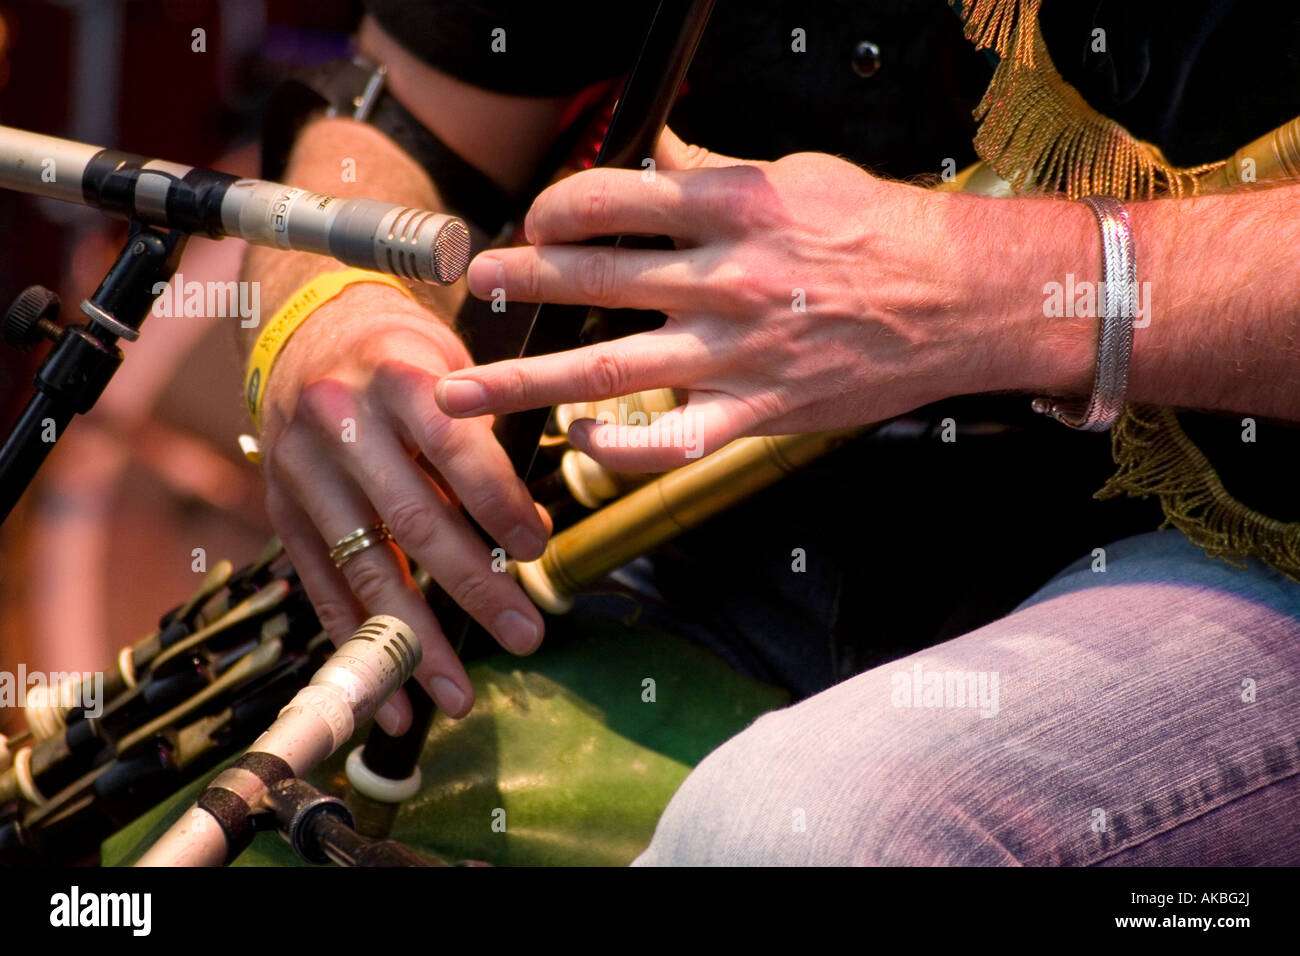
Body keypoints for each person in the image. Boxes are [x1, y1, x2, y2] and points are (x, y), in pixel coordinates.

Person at [240, 1, 1300, 864]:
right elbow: (399, 111)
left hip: (1244, 547)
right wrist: (326, 304)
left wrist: (1017, 287)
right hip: (682, 546)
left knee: (810, 827)